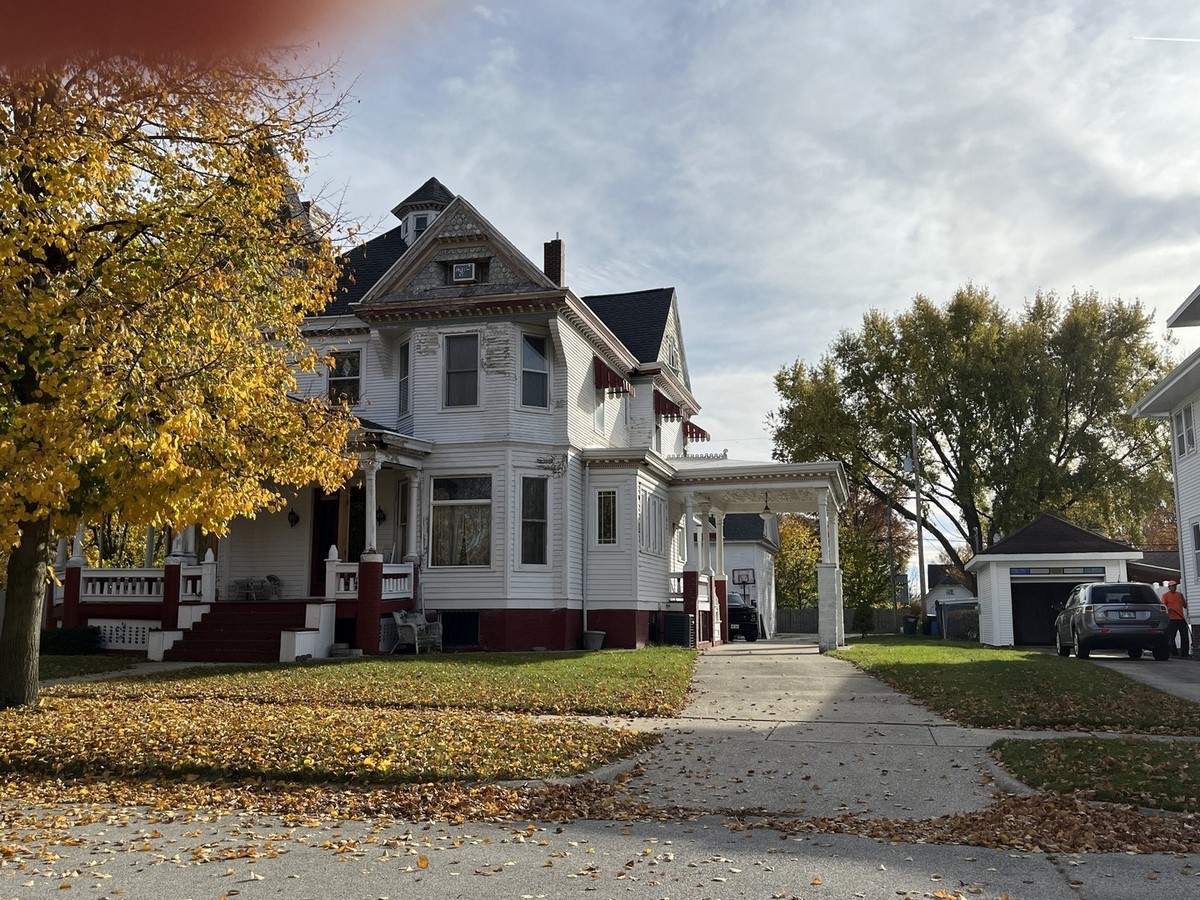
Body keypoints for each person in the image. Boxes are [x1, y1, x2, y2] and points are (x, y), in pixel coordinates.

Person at [1162, 580, 1190, 658]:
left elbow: (1185, 606)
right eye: (1172, 586)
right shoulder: (1165, 595)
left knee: (1184, 636)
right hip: (1171, 619)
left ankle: (1185, 653)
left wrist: (1183, 601)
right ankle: (1174, 653)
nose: (1174, 587)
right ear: (1169, 587)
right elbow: (1163, 607)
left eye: (1174, 586)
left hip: (1181, 618)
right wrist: (1169, 608)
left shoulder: (1179, 595)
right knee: (1171, 637)